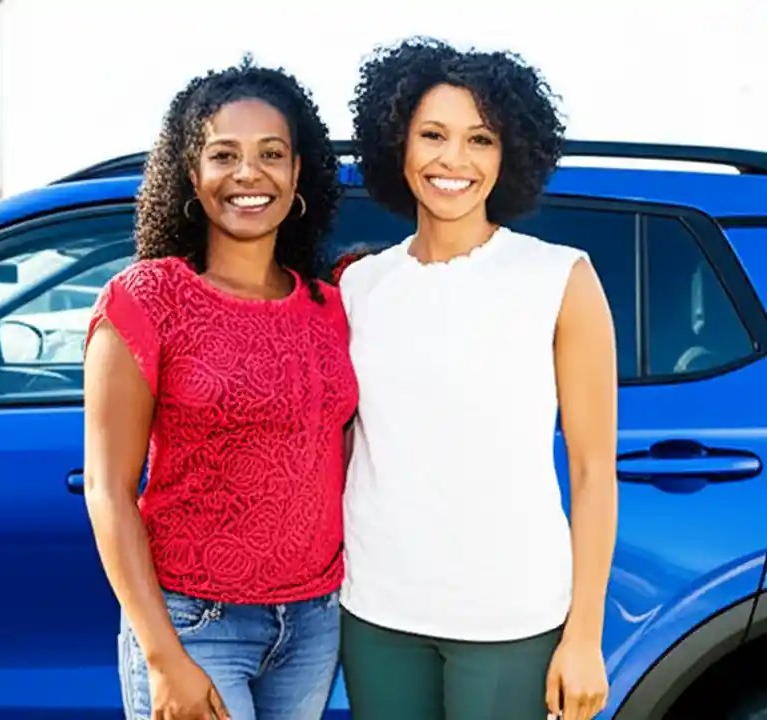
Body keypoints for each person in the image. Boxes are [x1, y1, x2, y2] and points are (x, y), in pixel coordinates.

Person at [335, 37, 618, 720]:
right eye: (432, 135)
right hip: (377, 612)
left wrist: (584, 637)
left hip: (510, 619)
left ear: (508, 153)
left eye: (480, 139)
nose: (453, 160)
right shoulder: (362, 286)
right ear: (395, 144)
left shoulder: (560, 278)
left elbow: (591, 470)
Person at [82, 56, 356, 720]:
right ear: (192, 175)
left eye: (271, 153)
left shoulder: (331, 304)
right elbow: (107, 491)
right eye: (223, 154)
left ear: (298, 175)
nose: (248, 173)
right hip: (195, 624)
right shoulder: (147, 300)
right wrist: (162, 655)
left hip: (314, 622)